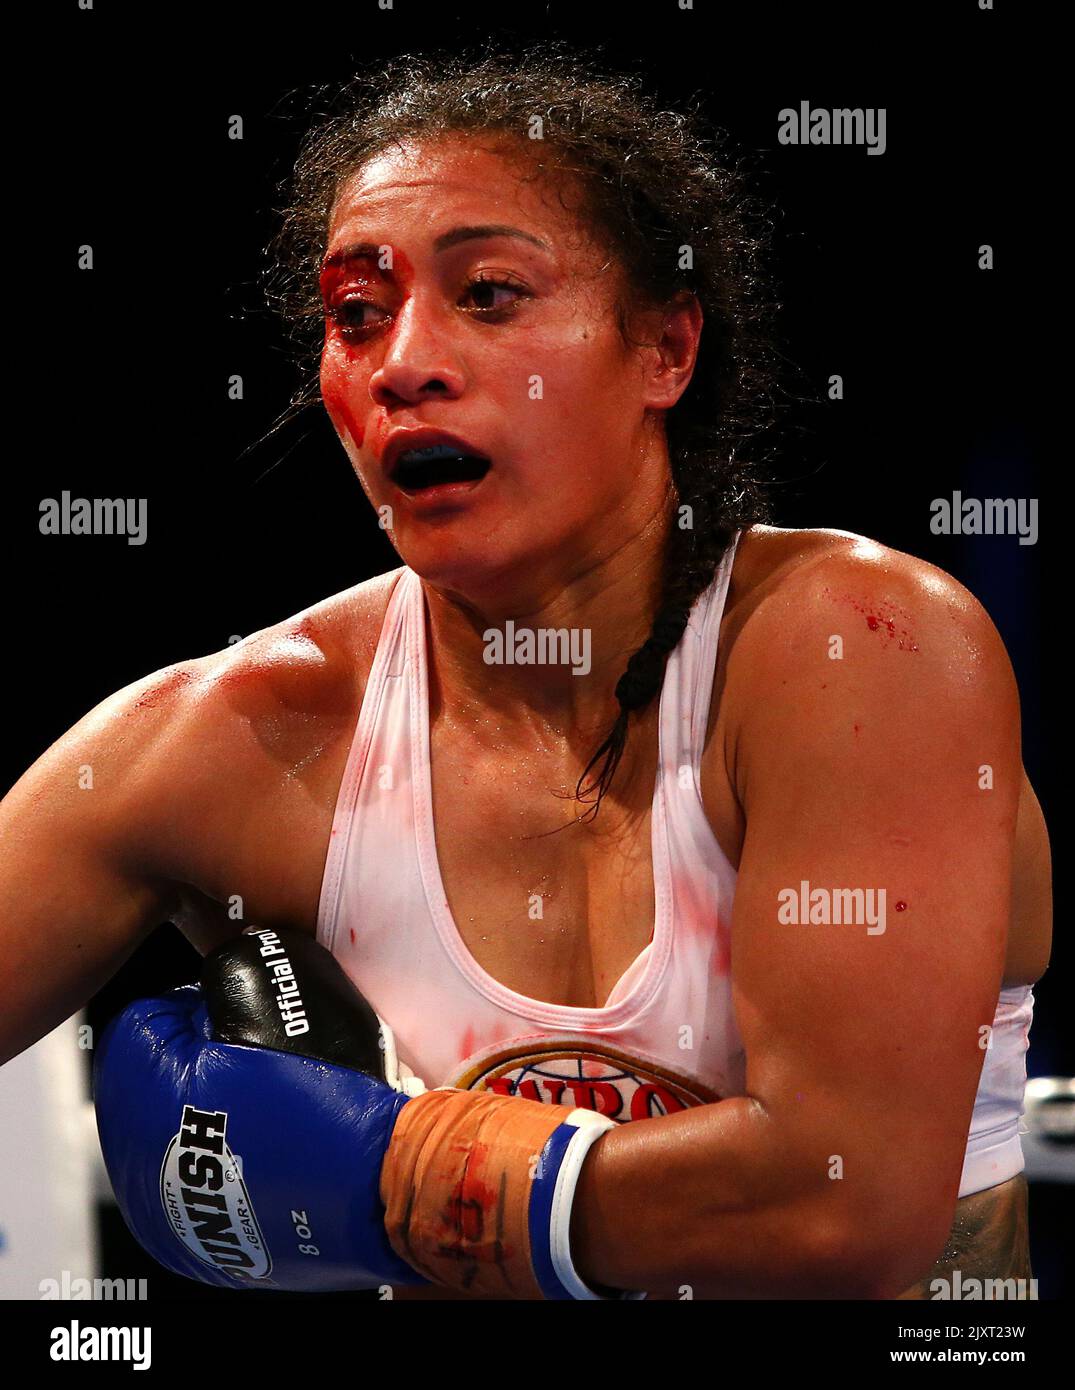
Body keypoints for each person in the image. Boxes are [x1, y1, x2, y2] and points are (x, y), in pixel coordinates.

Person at [1, 46, 1052, 1300]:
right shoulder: (234, 736)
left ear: (665, 348)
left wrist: (389, 1174)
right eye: (354, 316)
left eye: (489, 294)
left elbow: (845, 1207)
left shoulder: (859, 655)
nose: (404, 361)